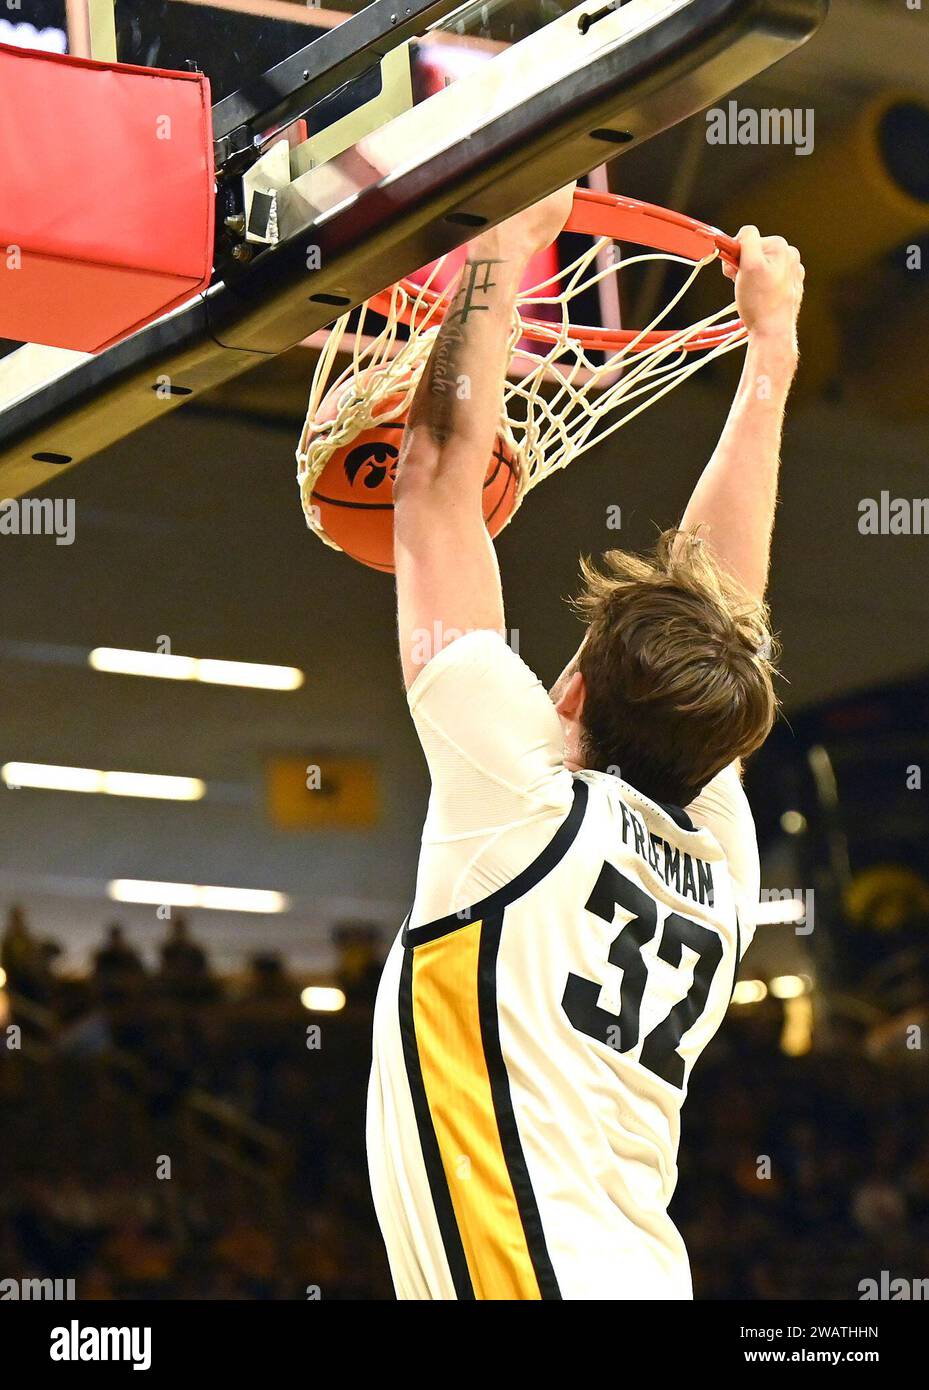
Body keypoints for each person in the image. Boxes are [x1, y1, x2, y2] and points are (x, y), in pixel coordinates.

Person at [366, 184, 804, 1300]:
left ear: (565, 697)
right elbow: (433, 489)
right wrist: (769, 350)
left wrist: (504, 244)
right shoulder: (709, 858)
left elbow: (425, 483)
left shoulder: (528, 808)